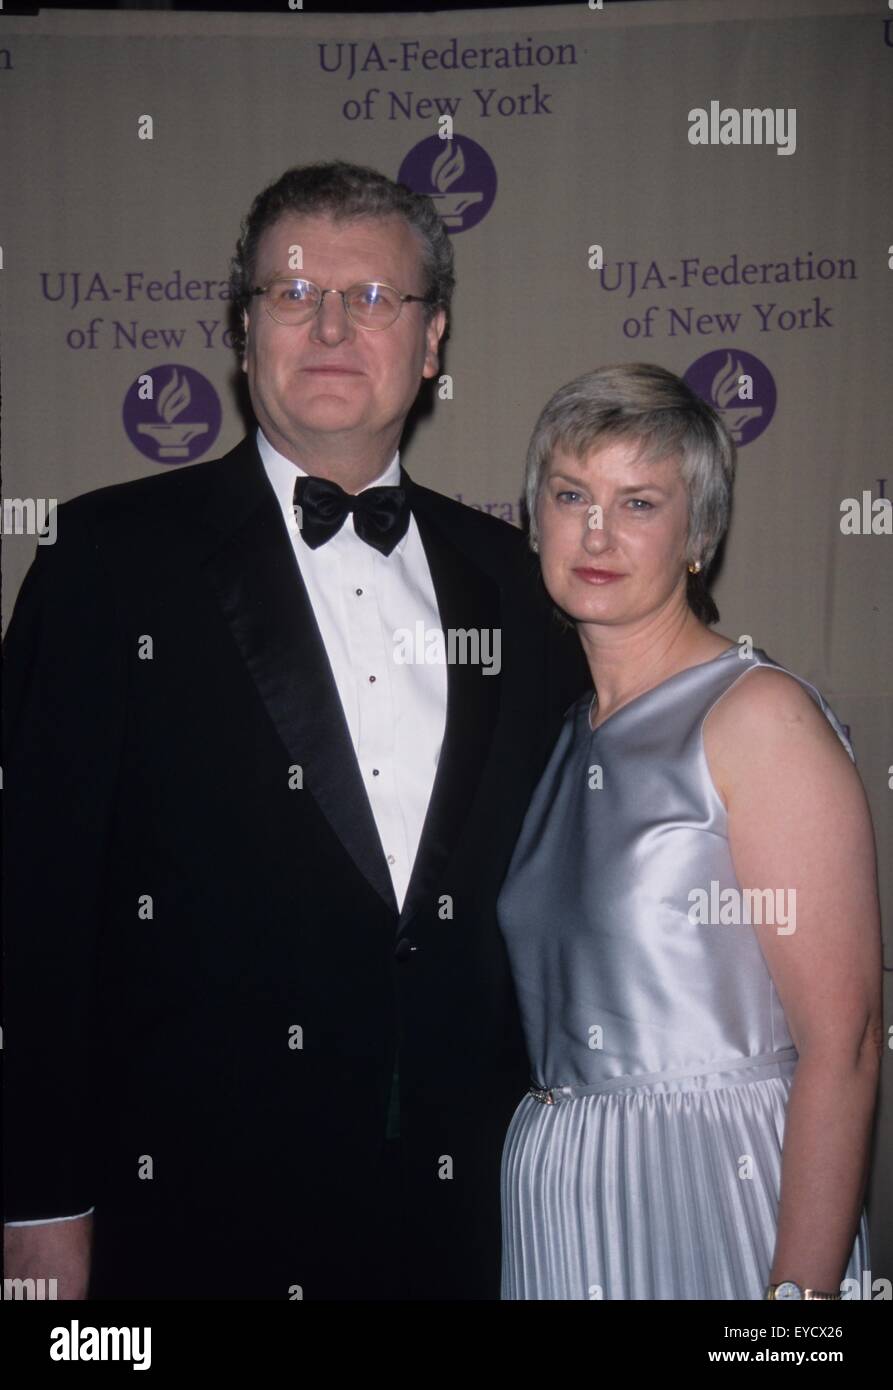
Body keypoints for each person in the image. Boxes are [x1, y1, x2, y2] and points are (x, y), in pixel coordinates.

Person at [2, 161, 588, 1300]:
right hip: (180, 1216)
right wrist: (38, 1197)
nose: (329, 323)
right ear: (241, 330)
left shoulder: (522, 584)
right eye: (291, 292)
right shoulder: (104, 563)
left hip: (464, 1213)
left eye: (373, 298)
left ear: (431, 342)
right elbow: (33, 900)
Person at [497, 362, 882, 1300]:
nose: (594, 532)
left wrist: (796, 1311)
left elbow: (849, 1043)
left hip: (716, 1180)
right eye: (569, 495)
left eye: (637, 503)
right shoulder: (556, 737)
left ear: (697, 535)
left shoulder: (756, 716)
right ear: (533, 517)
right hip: (560, 1193)